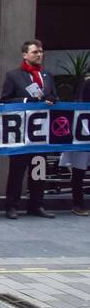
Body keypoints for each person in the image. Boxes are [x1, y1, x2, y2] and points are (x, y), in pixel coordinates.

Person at [0, 39, 57, 219]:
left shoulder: (47, 75)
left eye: (41, 51)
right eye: (35, 52)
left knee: (38, 170)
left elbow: (54, 96)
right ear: (25, 55)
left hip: (40, 134)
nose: (39, 54)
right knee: (17, 171)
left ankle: (36, 205)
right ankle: (12, 206)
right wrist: (26, 101)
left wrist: (52, 100)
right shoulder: (13, 75)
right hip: (21, 133)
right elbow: (5, 100)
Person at [60, 74, 90, 217]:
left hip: (83, 131)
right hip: (84, 131)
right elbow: (80, 104)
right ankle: (77, 203)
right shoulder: (86, 82)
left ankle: (78, 203)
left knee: (79, 169)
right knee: (79, 170)